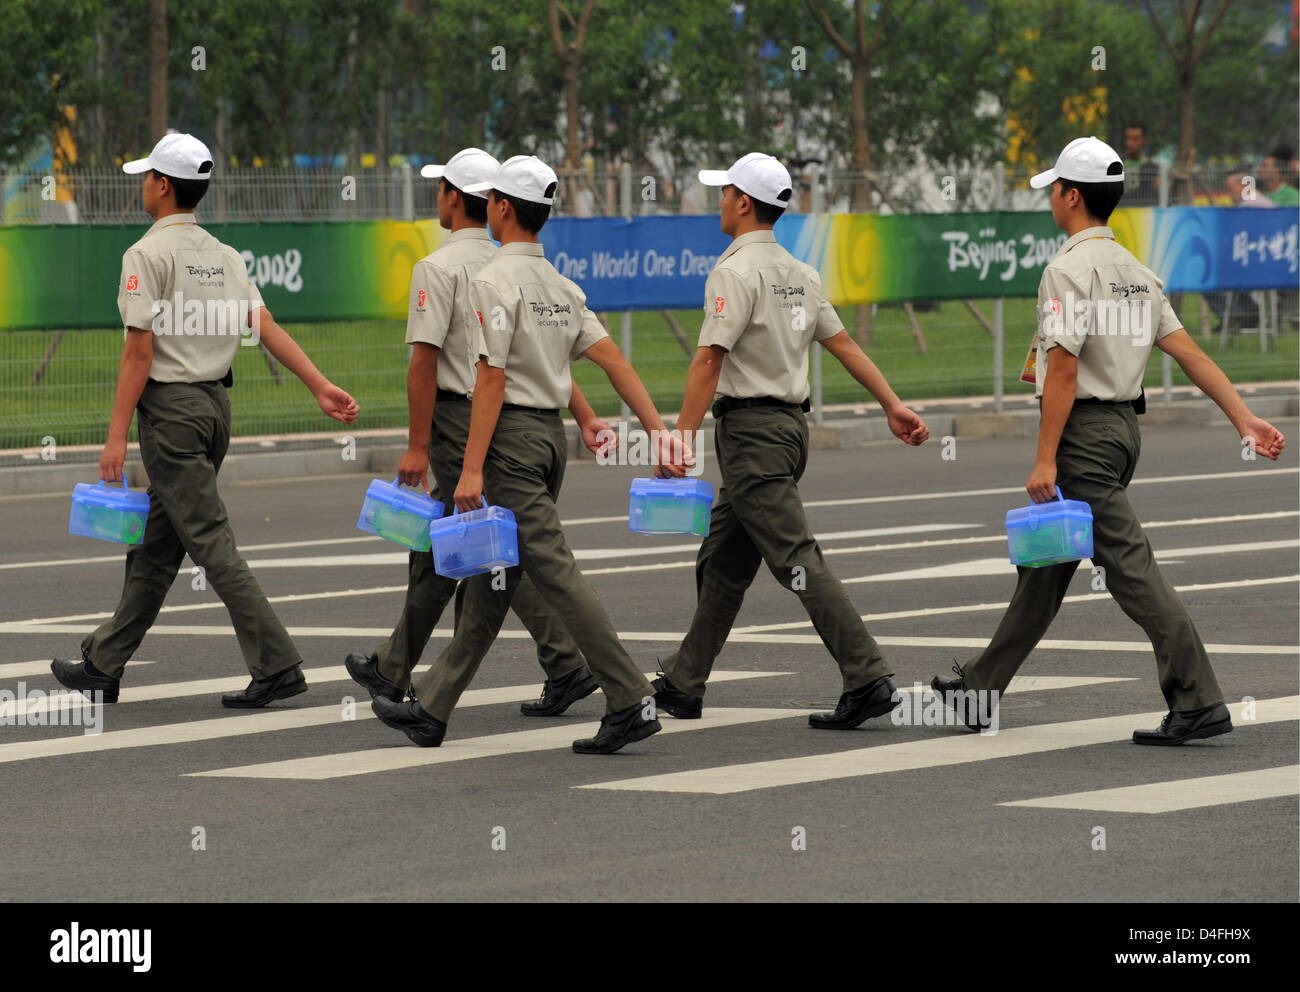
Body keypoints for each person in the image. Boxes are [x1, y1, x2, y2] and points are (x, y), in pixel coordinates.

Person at [931, 136, 1287, 745]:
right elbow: (1189, 353)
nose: (1051, 200)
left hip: (1085, 437)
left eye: (1054, 190)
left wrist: (1045, 457)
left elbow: (1064, 370)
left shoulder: (1066, 270)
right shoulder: (1137, 272)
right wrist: (1243, 417)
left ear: (1071, 196)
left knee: (1129, 567)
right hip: (1124, 430)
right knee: (1046, 563)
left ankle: (1197, 699)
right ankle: (980, 691)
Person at [369, 155, 692, 755]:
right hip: (550, 440)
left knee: (556, 574)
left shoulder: (494, 281)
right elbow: (613, 360)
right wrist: (661, 431)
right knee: (497, 577)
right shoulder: (561, 286)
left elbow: (489, 380)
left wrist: (470, 467)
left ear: (502, 208)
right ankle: (432, 708)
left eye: (491, 197)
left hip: (509, 445)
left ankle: (628, 698)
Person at [51, 133, 360, 708]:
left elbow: (138, 353)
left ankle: (277, 663)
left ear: (163, 186)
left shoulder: (146, 255)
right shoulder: (224, 254)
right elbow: (263, 327)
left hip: (171, 416)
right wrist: (318, 384)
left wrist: (115, 435)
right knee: (155, 545)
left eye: (146, 176)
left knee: (211, 543)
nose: (142, 184)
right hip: (215, 411)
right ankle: (104, 662)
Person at [650, 152, 930, 731]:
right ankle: (684, 681)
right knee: (722, 562)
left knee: (797, 560)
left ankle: (867, 673)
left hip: (753, 435)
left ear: (744, 203)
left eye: (724, 192)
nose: (719, 201)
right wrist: (892, 403)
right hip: (787, 431)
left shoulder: (733, 271)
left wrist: (680, 438)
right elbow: (844, 343)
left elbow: (708, 359)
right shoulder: (799, 272)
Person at [344, 148, 611, 718]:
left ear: (452, 197)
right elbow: (543, 355)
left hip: (463, 421)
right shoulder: (508, 261)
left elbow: (423, 364)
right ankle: (399, 664)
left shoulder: (438, 269)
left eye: (438, 187)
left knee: (491, 548)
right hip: (508, 416)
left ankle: (564, 663)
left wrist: (417, 445)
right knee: (476, 543)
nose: (435, 196)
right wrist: (584, 414)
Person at [1121, 123, 1159, 206]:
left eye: (1135, 139)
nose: (1129, 142)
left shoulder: (1151, 166)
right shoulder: (1118, 163)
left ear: (1144, 140)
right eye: (1128, 138)